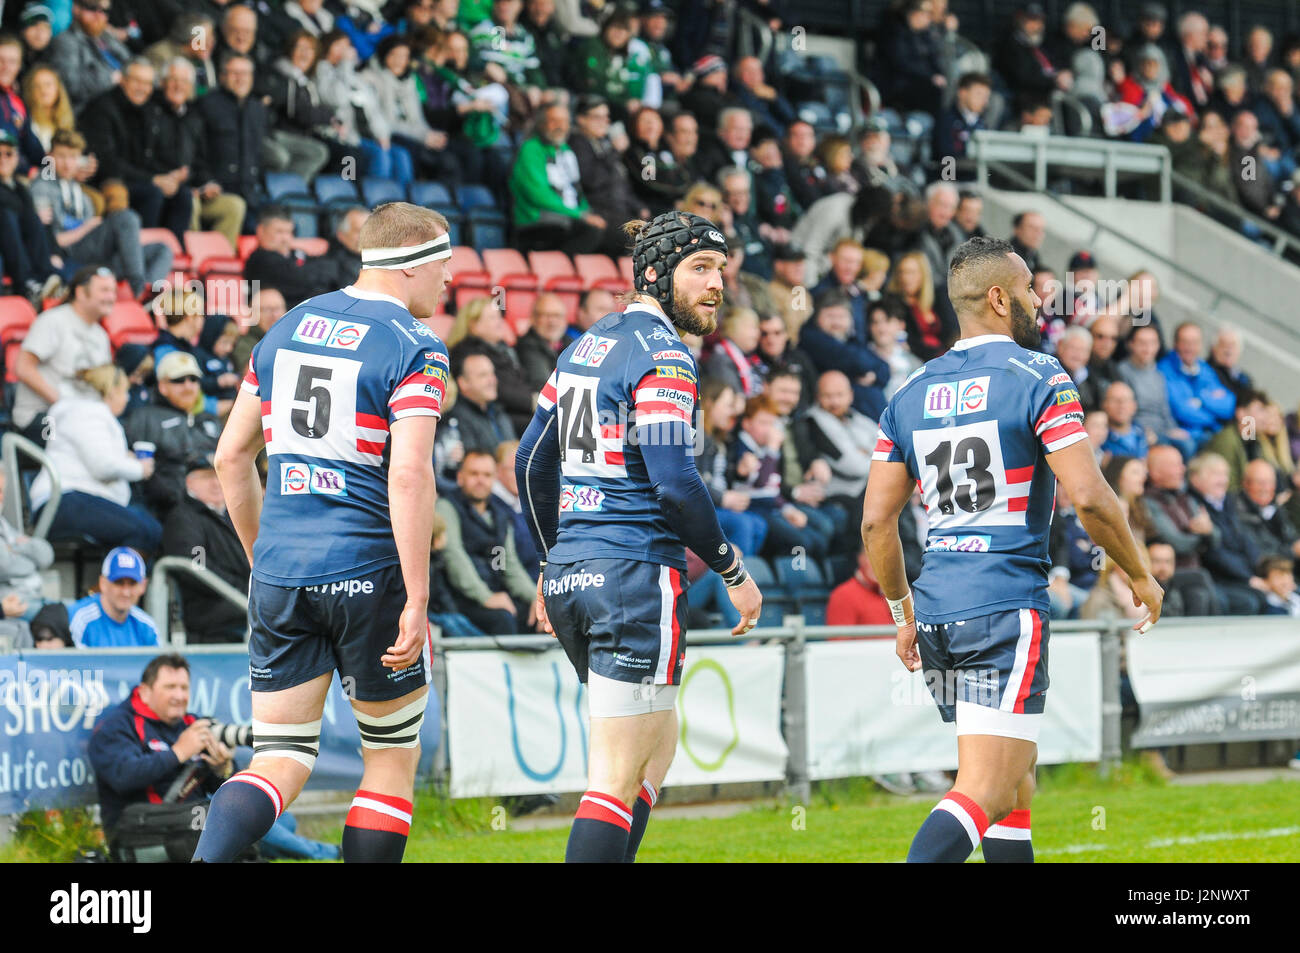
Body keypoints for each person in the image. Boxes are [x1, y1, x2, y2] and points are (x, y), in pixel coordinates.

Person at [862, 235, 1161, 863]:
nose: (1037, 301)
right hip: (1002, 604)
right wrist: (1140, 573)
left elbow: (874, 522)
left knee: (1016, 773)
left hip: (941, 608)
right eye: (1028, 290)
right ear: (999, 298)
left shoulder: (910, 390)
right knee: (987, 789)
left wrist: (901, 613)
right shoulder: (1039, 373)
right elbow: (1092, 496)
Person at [193, 201, 451, 864]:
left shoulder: (287, 328)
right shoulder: (415, 345)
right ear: (412, 265)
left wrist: (263, 560)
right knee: (391, 759)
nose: (449, 281)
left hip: (282, 571)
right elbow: (410, 474)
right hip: (369, 568)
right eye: (444, 267)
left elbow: (229, 458)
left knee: (279, 758)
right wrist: (417, 596)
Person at [515, 211, 762, 863]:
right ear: (654, 273)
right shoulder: (666, 356)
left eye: (722, 270)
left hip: (575, 573)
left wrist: (548, 562)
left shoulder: (583, 346)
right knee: (616, 777)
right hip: (632, 574)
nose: (717, 284)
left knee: (656, 751)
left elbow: (532, 460)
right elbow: (676, 481)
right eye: (701, 268)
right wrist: (732, 569)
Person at [32, 364, 162, 554]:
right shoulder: (87, 413)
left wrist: (124, 458)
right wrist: (140, 469)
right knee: (140, 532)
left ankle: (129, 582)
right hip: (63, 500)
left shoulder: (88, 413)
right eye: (125, 391)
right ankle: (117, 583)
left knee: (153, 530)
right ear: (112, 391)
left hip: (77, 498)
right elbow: (102, 465)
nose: (127, 398)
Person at [30, 129, 172, 295]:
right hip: (71, 255)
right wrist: (87, 227)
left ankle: (146, 295)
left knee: (162, 249)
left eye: (73, 157)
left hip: (99, 260)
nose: (67, 164)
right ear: (49, 156)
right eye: (61, 156)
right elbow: (51, 241)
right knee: (126, 218)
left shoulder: (82, 193)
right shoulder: (42, 187)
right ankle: (139, 290)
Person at [434, 448, 537, 634]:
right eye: (474, 474)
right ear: (460, 477)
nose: (480, 480)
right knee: (503, 621)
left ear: (494, 478)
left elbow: (510, 566)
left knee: (538, 618)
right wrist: (486, 597)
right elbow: (454, 557)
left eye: (487, 475)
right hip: (458, 600)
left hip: (496, 595)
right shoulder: (447, 507)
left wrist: (535, 598)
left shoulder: (500, 515)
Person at [11, 265, 115, 443]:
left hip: (80, 418)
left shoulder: (101, 335)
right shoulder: (53, 321)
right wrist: (64, 403)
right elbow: (23, 367)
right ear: (81, 293)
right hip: (43, 416)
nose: (111, 297)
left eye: (113, 291)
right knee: (89, 439)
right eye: (104, 290)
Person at [161, 454, 251, 643]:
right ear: (189, 483)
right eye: (206, 477)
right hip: (212, 616)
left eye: (218, 476)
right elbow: (198, 565)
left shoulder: (230, 515)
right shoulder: (185, 518)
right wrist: (241, 589)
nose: (216, 484)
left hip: (238, 606)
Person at [123, 351, 222, 519]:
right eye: (178, 380)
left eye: (193, 379)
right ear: (162, 386)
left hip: (219, 511)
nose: (188, 386)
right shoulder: (145, 417)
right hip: (167, 513)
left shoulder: (210, 420)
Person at [68, 547, 159, 647]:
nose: (126, 592)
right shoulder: (80, 618)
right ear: (103, 583)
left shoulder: (147, 626)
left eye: (132, 583)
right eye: (119, 583)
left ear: (143, 586)